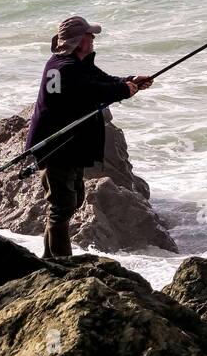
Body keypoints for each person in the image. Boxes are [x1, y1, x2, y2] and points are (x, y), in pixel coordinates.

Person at [27, 15, 154, 260]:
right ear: (77, 40)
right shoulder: (67, 68)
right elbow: (90, 92)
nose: (93, 39)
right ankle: (61, 262)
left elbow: (101, 80)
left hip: (67, 146)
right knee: (62, 205)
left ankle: (48, 257)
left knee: (70, 202)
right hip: (54, 146)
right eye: (89, 35)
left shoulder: (70, 63)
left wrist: (130, 81)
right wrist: (122, 90)